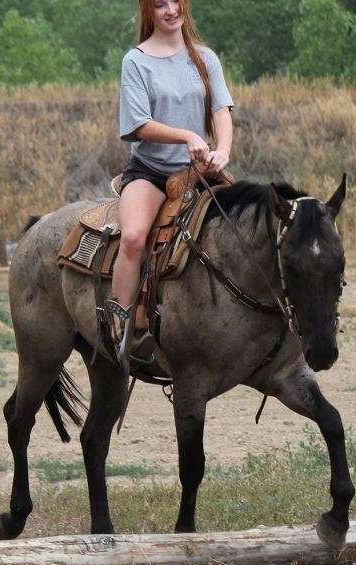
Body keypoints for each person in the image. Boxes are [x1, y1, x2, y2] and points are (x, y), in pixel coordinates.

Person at [112, 0, 234, 366]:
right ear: (148, 10)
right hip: (151, 172)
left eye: (176, 1)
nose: (170, 10)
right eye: (160, 3)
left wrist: (223, 150)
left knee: (247, 230)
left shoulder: (205, 58)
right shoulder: (135, 61)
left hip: (200, 173)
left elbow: (221, 111)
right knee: (133, 238)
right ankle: (120, 325)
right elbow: (138, 124)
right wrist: (185, 135)